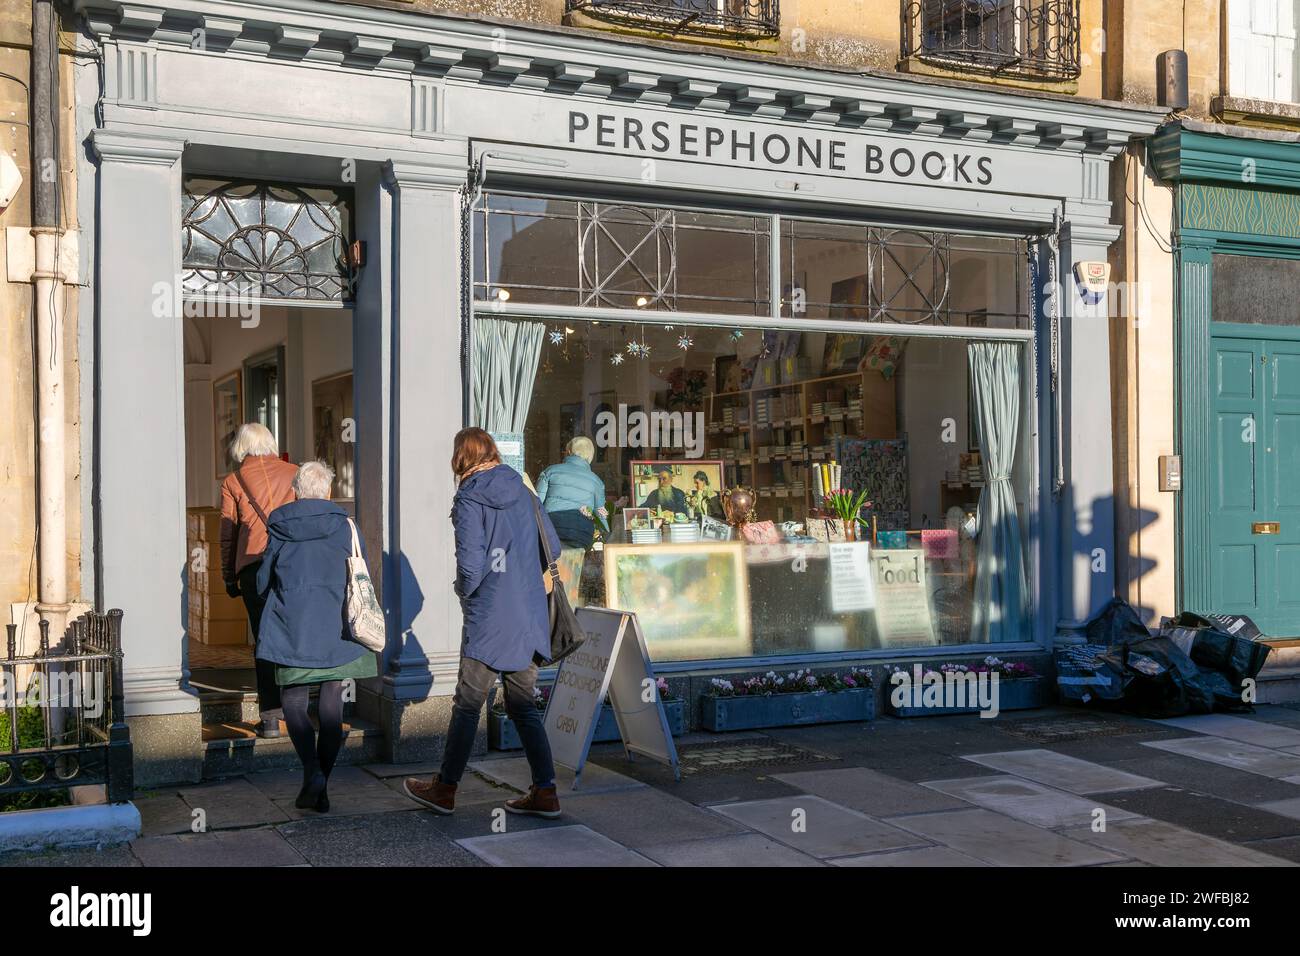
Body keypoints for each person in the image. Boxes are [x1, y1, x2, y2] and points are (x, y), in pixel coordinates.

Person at [404, 428, 563, 818]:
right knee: (523, 705)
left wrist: (465, 592)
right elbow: (553, 547)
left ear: (460, 458)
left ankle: (444, 789)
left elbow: (472, 566)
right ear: (492, 452)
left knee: (467, 703)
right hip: (527, 613)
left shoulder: (470, 496)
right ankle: (546, 791)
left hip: (490, 618)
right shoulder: (524, 489)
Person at [255, 460, 377, 813]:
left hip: (291, 625)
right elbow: (362, 572)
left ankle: (312, 773)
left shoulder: (278, 526)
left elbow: (263, 581)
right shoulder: (346, 527)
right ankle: (321, 778)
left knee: (292, 701)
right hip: (337, 626)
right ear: (327, 492)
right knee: (331, 702)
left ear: (295, 491)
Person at [219, 422, 298, 738]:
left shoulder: (234, 480)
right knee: (292, 636)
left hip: (253, 569)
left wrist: (228, 575)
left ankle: (269, 718)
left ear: (241, 446)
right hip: (291, 566)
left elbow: (228, 534)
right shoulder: (294, 473)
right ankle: (296, 711)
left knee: (264, 639)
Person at [535, 436, 606, 548]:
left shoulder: (551, 471)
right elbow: (601, 515)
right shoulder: (597, 482)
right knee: (575, 563)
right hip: (582, 534)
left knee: (550, 563)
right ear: (590, 456)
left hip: (551, 530)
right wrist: (609, 538)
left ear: (568, 452)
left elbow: (536, 505)